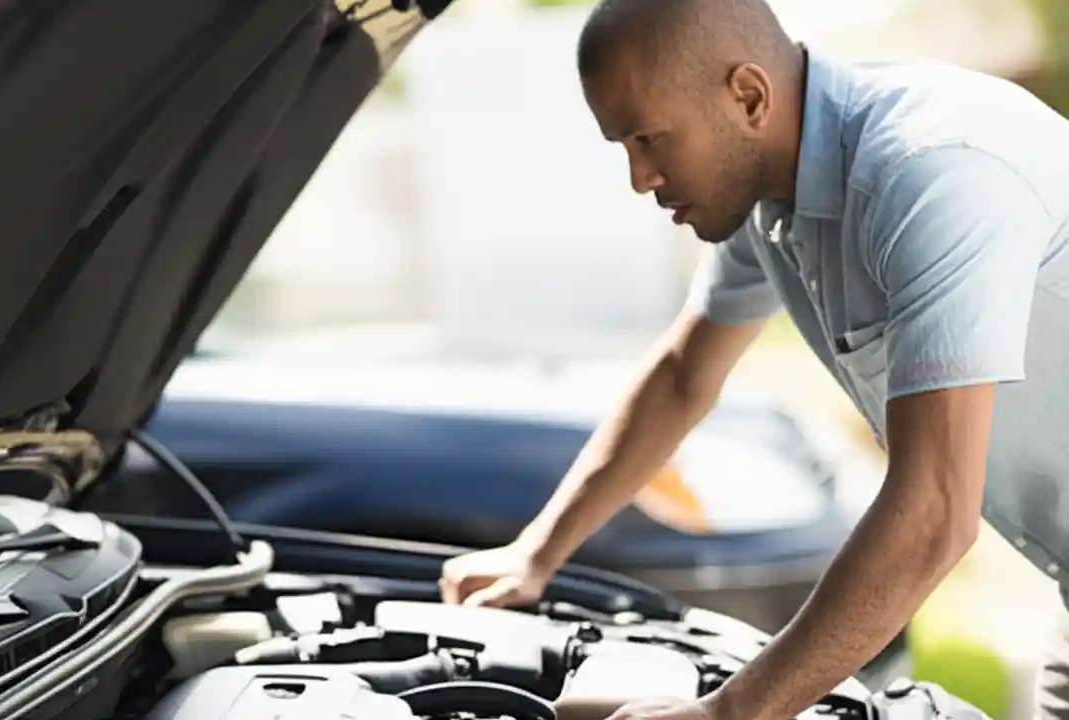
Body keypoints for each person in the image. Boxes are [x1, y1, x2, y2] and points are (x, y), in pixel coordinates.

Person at [436, 0, 1069, 718]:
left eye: (649, 139)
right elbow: (682, 378)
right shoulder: (768, 197)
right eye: (623, 146)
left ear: (748, 96)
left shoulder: (932, 173)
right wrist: (537, 552)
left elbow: (932, 513)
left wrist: (729, 713)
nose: (639, 177)